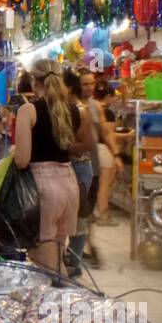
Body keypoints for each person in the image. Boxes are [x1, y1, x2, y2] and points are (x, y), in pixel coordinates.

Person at [12, 59, 93, 276]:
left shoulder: (28, 111)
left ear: (32, 80)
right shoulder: (75, 110)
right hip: (68, 184)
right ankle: (63, 299)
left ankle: (65, 300)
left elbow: (22, 159)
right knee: (57, 251)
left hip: (42, 188)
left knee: (48, 264)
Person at [63, 69, 98, 276]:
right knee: (70, 217)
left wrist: (63, 149)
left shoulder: (79, 110)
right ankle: (68, 258)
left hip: (80, 168)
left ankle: (74, 262)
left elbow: (88, 143)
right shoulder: (67, 108)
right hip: (71, 167)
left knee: (79, 218)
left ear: (67, 87)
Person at [81, 70, 124, 225]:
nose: (89, 87)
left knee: (90, 195)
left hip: (92, 158)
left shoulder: (96, 107)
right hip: (75, 159)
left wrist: (116, 155)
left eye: (91, 83)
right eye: (85, 84)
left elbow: (106, 133)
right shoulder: (70, 104)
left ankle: (85, 240)